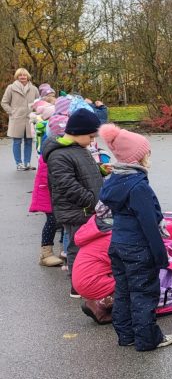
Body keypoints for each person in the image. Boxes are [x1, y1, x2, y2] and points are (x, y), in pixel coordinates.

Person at [98, 123, 172, 350]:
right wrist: (160, 255)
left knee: (123, 291)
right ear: (137, 158)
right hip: (138, 247)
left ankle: (126, 335)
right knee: (144, 293)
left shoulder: (114, 180)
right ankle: (147, 339)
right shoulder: (138, 187)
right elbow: (149, 224)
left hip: (118, 244)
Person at [42, 108, 105, 298]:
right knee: (76, 247)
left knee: (87, 246)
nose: (93, 141)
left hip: (87, 208)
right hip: (76, 210)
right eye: (91, 136)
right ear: (78, 132)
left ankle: (86, 277)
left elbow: (84, 173)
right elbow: (68, 185)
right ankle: (76, 284)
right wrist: (90, 201)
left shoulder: (79, 148)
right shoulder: (59, 155)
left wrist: (101, 171)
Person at [30, 113, 68, 268]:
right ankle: (45, 253)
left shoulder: (58, 147)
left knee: (64, 220)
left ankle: (63, 249)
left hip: (55, 192)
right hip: (48, 192)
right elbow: (49, 175)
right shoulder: (51, 151)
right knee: (53, 221)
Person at [74, 202, 115, 325]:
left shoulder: (98, 228)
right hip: (92, 282)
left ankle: (98, 301)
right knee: (135, 280)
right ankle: (100, 305)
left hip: (82, 281)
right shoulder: (112, 237)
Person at [3, 68, 40, 170]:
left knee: (29, 141)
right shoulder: (11, 88)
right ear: (17, 76)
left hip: (30, 119)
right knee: (17, 142)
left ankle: (27, 163)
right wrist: (12, 112)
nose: (22, 77)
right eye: (20, 75)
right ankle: (19, 164)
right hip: (17, 118)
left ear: (28, 76)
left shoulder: (34, 89)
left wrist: (35, 113)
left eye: (24, 75)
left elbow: (39, 103)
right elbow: (4, 102)